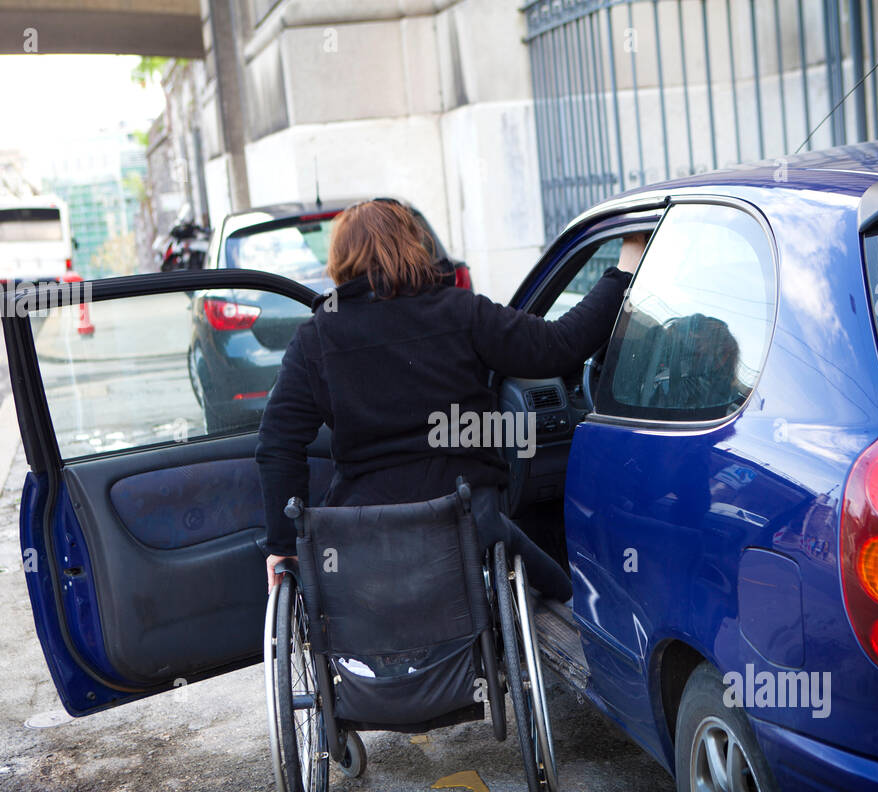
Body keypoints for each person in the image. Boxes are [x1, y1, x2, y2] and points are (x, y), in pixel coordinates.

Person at [256, 197, 647, 601]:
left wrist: (283, 545)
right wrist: (622, 271)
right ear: (413, 246)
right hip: (466, 517)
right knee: (558, 594)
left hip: (366, 533)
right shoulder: (460, 311)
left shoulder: (316, 336)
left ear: (341, 261)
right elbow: (561, 345)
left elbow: (278, 444)